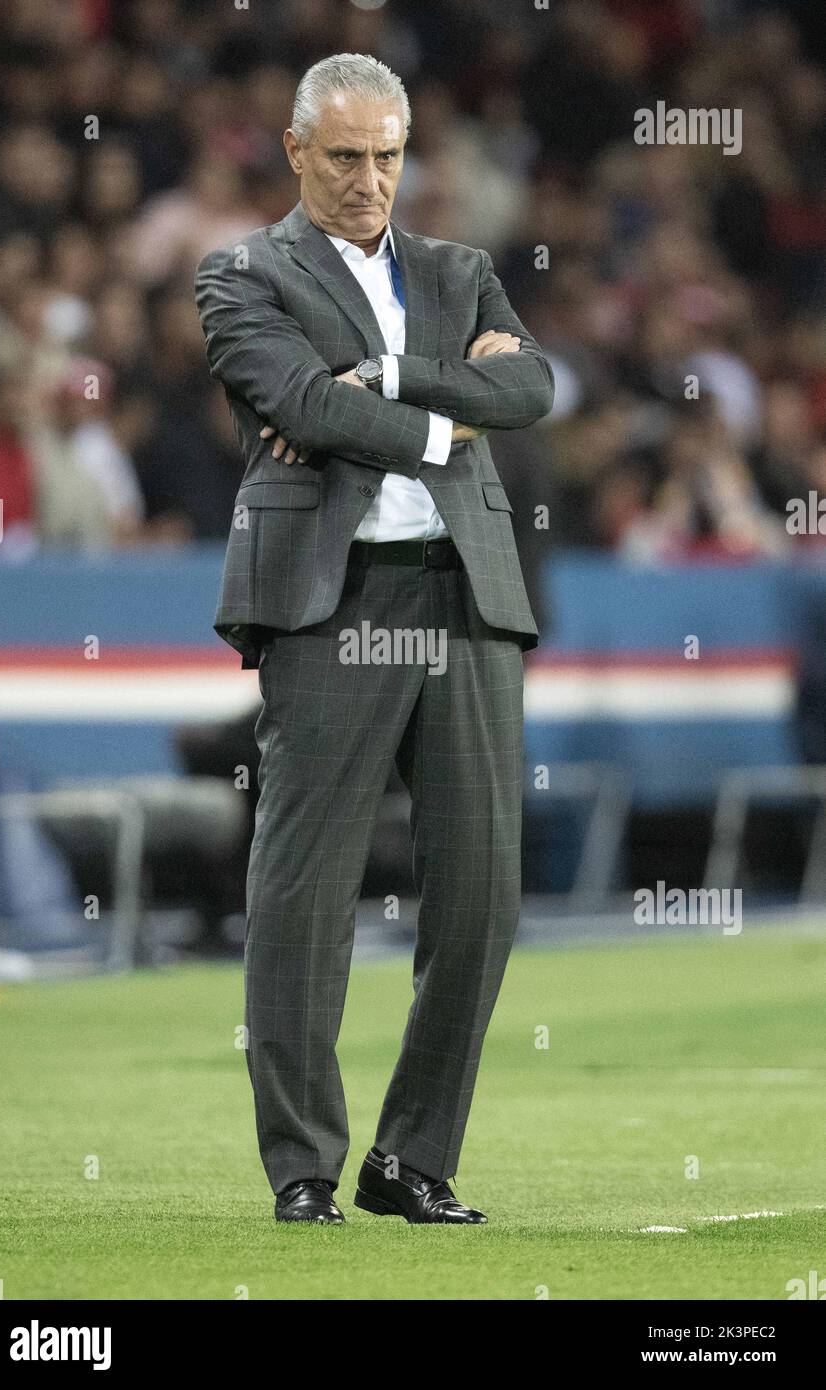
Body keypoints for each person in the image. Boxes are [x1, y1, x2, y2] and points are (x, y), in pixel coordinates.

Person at [195, 53, 553, 1225]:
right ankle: (302, 1166)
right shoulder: (240, 272)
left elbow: (532, 392)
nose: (369, 180)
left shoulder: (459, 271)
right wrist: (446, 424)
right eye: (345, 157)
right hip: (330, 599)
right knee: (304, 892)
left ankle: (411, 1159)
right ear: (294, 151)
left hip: (465, 595)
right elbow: (302, 403)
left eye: (387, 157)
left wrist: (391, 378)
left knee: (483, 894)